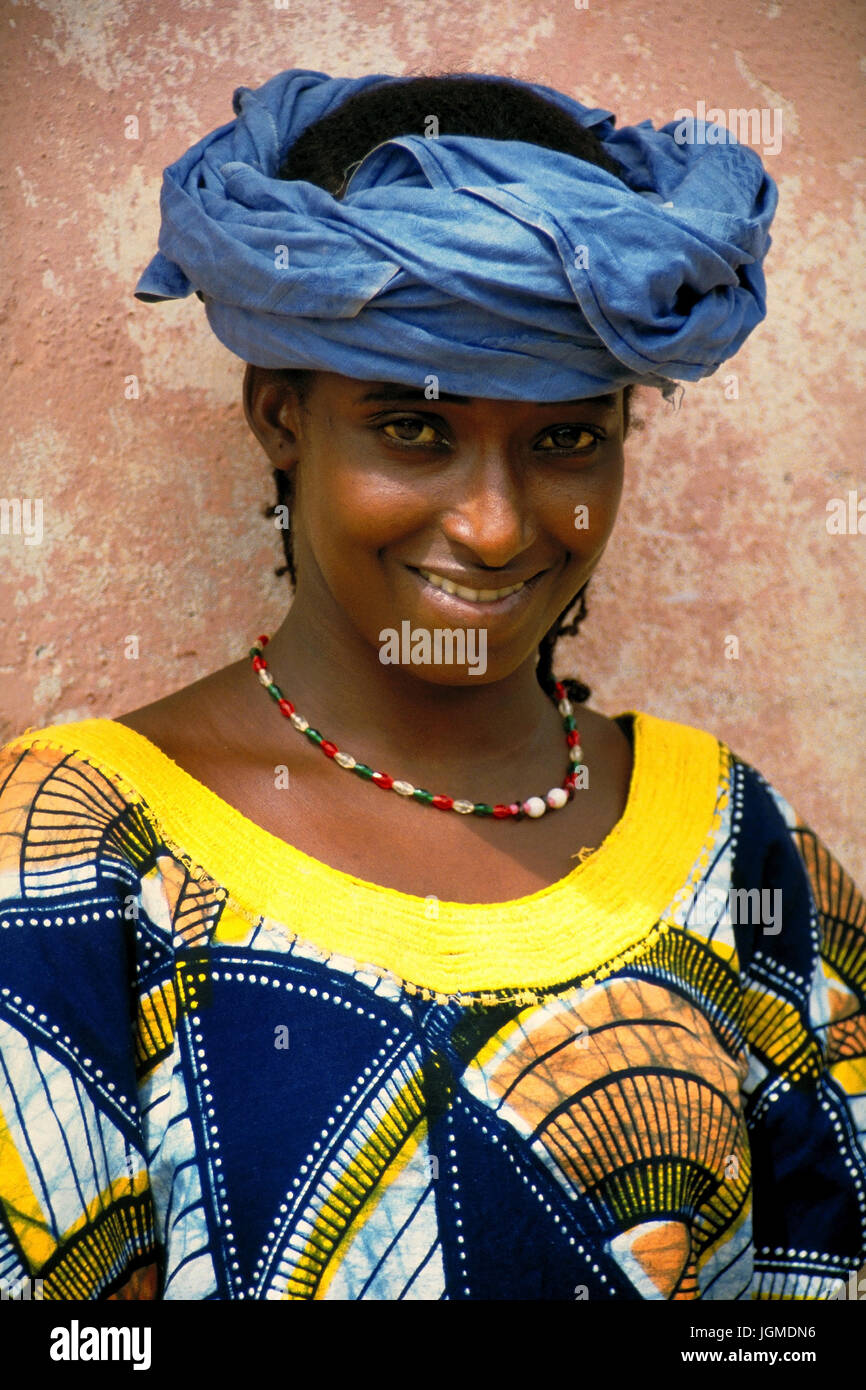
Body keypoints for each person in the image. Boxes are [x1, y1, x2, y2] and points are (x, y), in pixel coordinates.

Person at [0, 68, 863, 1303]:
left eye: (566, 437)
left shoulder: (737, 849)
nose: (499, 525)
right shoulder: (70, 858)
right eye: (415, 429)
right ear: (280, 418)